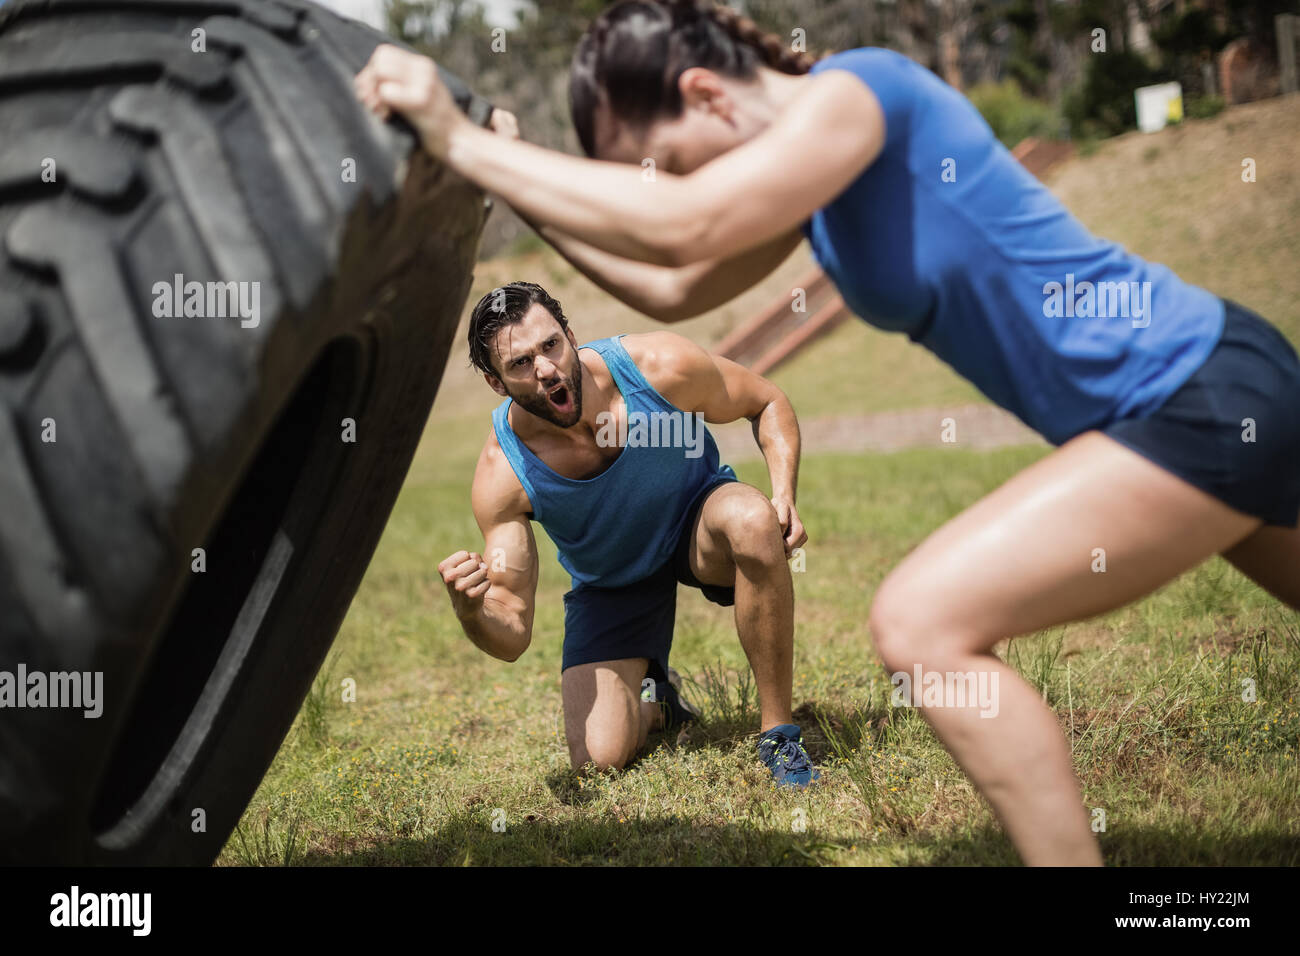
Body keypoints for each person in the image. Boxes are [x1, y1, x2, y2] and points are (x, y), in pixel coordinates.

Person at [357, 1, 1300, 864]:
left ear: (703, 93)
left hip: (1188, 388)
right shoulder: (824, 192)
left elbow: (688, 224)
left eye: (671, 160)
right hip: (1198, 397)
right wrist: (515, 188)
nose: (679, 184)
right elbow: (673, 281)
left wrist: (462, 140)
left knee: (922, 625)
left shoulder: (862, 92)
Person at [436, 281, 819, 786]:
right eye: (520, 364)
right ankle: (657, 704)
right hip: (612, 579)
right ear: (495, 382)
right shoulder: (503, 473)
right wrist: (471, 611)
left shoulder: (655, 366)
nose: (546, 369)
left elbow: (766, 402)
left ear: (570, 335)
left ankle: (779, 735)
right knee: (599, 762)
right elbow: (512, 633)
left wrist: (783, 493)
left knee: (752, 520)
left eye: (550, 345)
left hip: (696, 523)